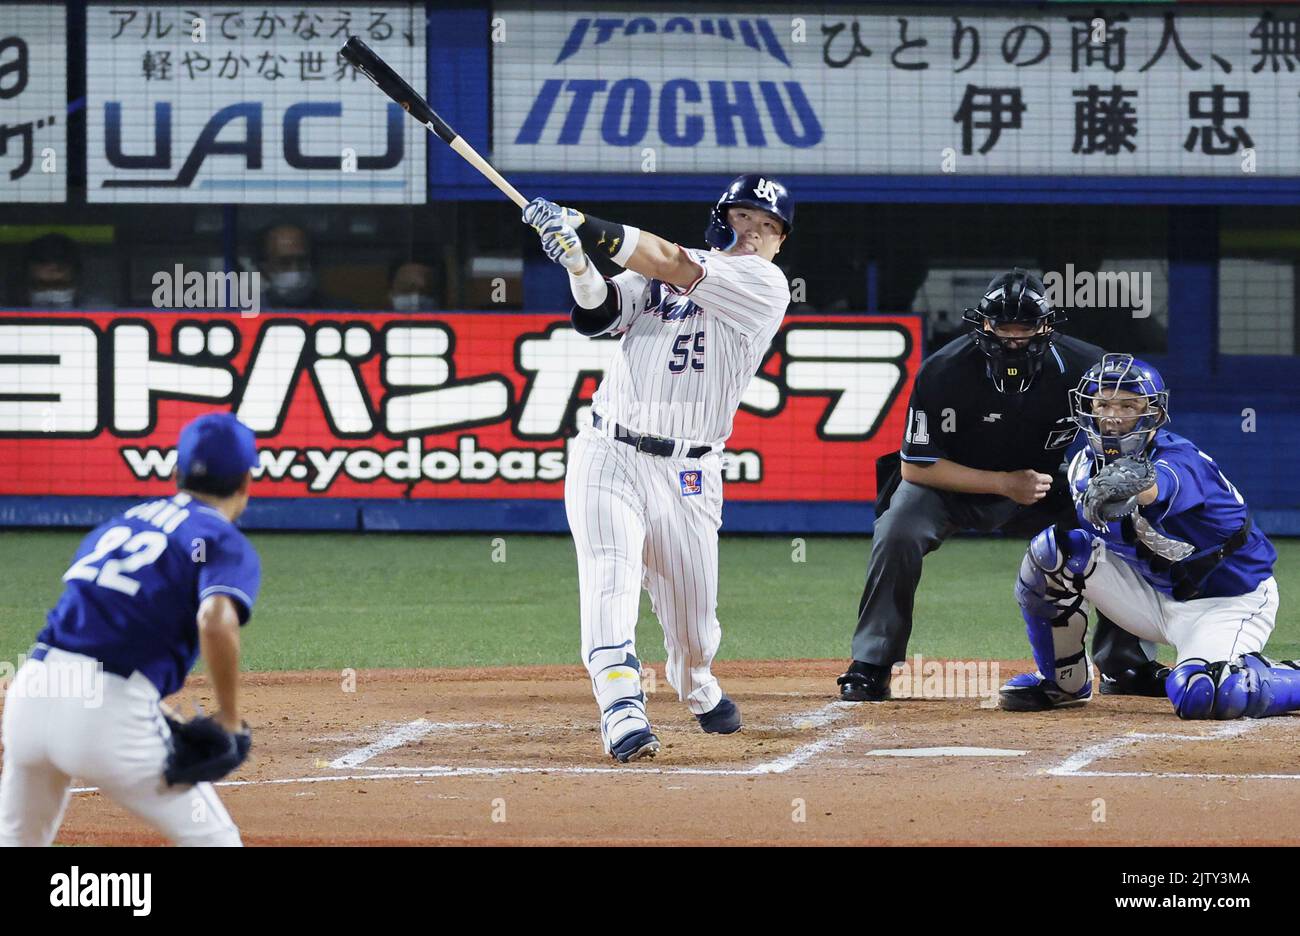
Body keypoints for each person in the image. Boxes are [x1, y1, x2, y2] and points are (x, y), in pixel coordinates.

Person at [523, 175, 792, 762]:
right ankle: (620, 706)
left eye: (769, 225)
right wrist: (577, 263)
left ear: (779, 242)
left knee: (694, 625)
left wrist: (583, 225)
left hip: (689, 473)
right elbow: (598, 315)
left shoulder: (764, 285)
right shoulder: (657, 272)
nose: (755, 232)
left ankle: (694, 680)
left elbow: (673, 262)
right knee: (610, 573)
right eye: (744, 216)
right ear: (721, 219)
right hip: (608, 450)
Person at [837, 269, 1167, 702]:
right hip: (951, 486)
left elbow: (1130, 425)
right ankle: (872, 661)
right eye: (1003, 326)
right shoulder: (943, 370)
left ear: (1046, 325)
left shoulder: (1086, 366)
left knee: (1122, 519)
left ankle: (1126, 662)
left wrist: (1106, 479)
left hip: (1045, 487)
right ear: (983, 324)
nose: (1014, 338)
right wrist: (1004, 484)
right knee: (898, 529)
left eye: (1025, 327)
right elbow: (916, 467)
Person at [0, 413, 261, 846]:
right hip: (107, 716)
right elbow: (216, 621)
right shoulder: (222, 539)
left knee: (16, 841)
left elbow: (102, 623)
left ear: (176, 473)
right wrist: (230, 720)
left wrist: (159, 712)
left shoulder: (123, 522)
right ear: (246, 481)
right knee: (216, 840)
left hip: (30, 695)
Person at [999, 354, 1298, 717]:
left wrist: (1133, 486)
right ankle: (1063, 683)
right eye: (1103, 404)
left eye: (1128, 405)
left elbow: (1161, 485)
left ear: (1154, 413)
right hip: (1154, 594)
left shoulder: (1181, 459)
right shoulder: (1083, 466)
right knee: (1053, 553)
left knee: (1208, 692)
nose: (1112, 416)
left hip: (1227, 601)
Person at [256, 224, 344, 309]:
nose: (295, 270)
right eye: (285, 262)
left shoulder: (338, 311)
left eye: (302, 261)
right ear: (264, 270)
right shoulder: (251, 313)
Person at [19, 233, 110, 309]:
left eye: (59, 285)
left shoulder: (101, 312)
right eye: (41, 285)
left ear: (76, 283)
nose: (51, 294)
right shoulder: (14, 312)